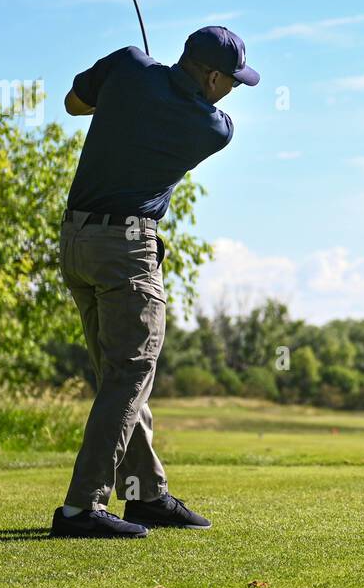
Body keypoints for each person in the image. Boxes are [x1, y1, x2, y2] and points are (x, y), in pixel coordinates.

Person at [50, 26, 258, 538]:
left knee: (121, 376)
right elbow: (218, 116)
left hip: (77, 242)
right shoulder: (211, 127)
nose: (232, 90)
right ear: (211, 76)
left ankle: (145, 496)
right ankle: (81, 509)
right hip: (125, 250)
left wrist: (131, 83)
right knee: (128, 376)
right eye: (230, 80)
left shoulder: (127, 64)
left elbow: (75, 104)